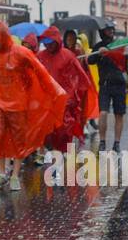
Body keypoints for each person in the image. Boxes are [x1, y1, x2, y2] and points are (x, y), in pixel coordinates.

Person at [0, 21, 67, 191]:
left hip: (18, 103)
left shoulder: (21, 53)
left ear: (3, 37)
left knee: (18, 139)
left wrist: (54, 90)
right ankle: (1, 173)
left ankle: (14, 175)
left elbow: (40, 71)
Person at [37, 25, 95, 157]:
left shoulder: (68, 56)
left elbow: (80, 76)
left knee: (64, 129)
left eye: (50, 42)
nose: (48, 45)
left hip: (65, 100)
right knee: (48, 130)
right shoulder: (40, 56)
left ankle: (62, 154)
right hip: (47, 101)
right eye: (45, 43)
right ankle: (53, 151)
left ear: (56, 41)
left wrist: (74, 96)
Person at [88, 20, 128, 152]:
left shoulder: (120, 45)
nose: (111, 31)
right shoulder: (98, 46)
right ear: (102, 32)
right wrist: (98, 54)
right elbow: (90, 61)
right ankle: (102, 141)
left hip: (119, 85)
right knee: (103, 113)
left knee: (119, 114)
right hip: (105, 86)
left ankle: (117, 143)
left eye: (112, 29)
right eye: (108, 29)